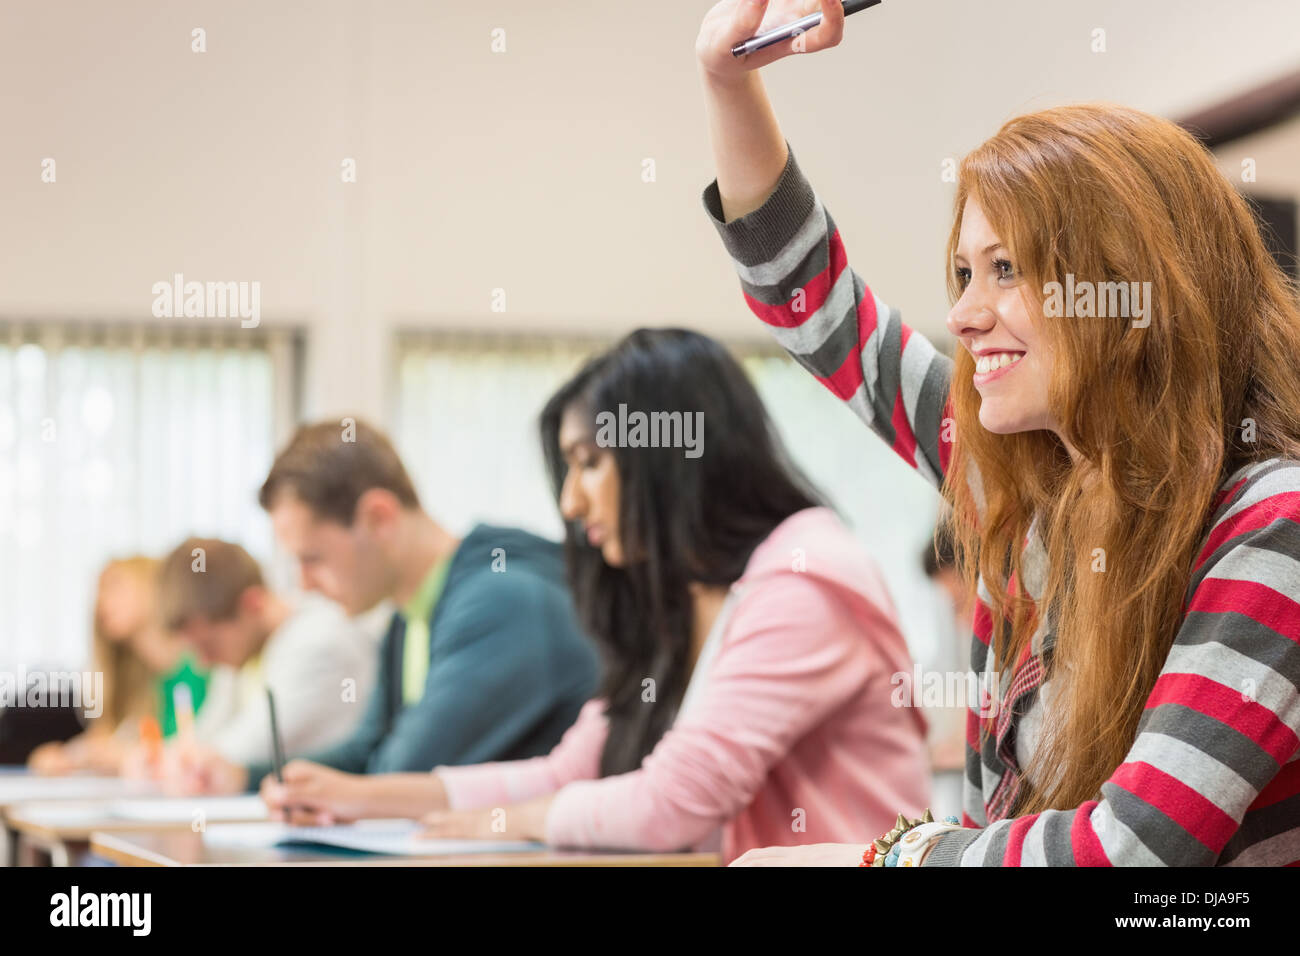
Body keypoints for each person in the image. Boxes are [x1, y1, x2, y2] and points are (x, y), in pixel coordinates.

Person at [696, 0, 1300, 866]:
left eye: (1008, 270)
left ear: (1128, 291)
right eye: (964, 271)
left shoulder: (1271, 523)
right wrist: (727, 78)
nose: (964, 314)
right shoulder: (1020, 475)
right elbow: (812, 300)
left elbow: (1131, 851)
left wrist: (881, 858)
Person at [261, 329, 931, 864]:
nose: (571, 500)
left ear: (668, 453)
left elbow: (676, 800)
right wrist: (364, 800)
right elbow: (569, 771)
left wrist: (517, 821)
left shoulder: (801, 577)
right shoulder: (683, 600)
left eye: (589, 463)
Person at [178, 418, 600, 794]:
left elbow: (404, 770)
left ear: (379, 518)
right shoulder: (406, 616)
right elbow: (368, 753)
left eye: (313, 559)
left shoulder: (502, 603)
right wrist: (246, 777)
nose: (303, 585)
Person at [136, 537, 379, 794]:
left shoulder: (319, 642)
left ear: (252, 603)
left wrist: (171, 762)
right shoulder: (247, 651)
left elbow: (237, 751)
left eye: (208, 645)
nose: (203, 663)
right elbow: (205, 735)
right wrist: (159, 757)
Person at [26, 557, 208, 775]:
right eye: (99, 591)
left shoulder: (204, 663)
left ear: (153, 586)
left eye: (115, 585)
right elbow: (112, 741)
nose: (101, 602)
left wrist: (129, 755)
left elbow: (203, 750)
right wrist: (68, 756)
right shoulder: (138, 682)